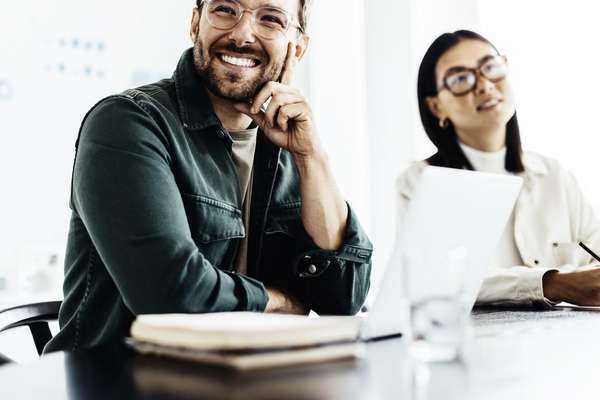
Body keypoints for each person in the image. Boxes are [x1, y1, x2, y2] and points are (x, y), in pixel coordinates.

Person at [45, 0, 372, 353]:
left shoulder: (287, 144)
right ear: (195, 21)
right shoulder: (127, 124)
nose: (242, 34)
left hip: (246, 378)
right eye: (226, 9)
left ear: (297, 47)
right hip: (121, 382)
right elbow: (169, 294)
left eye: (271, 19)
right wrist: (277, 301)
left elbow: (345, 297)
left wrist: (312, 157)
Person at [396, 30, 600, 307]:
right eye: (460, 78)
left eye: (490, 67)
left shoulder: (555, 176)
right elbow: (435, 280)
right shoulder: (418, 182)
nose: (484, 84)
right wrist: (552, 284)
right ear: (436, 107)